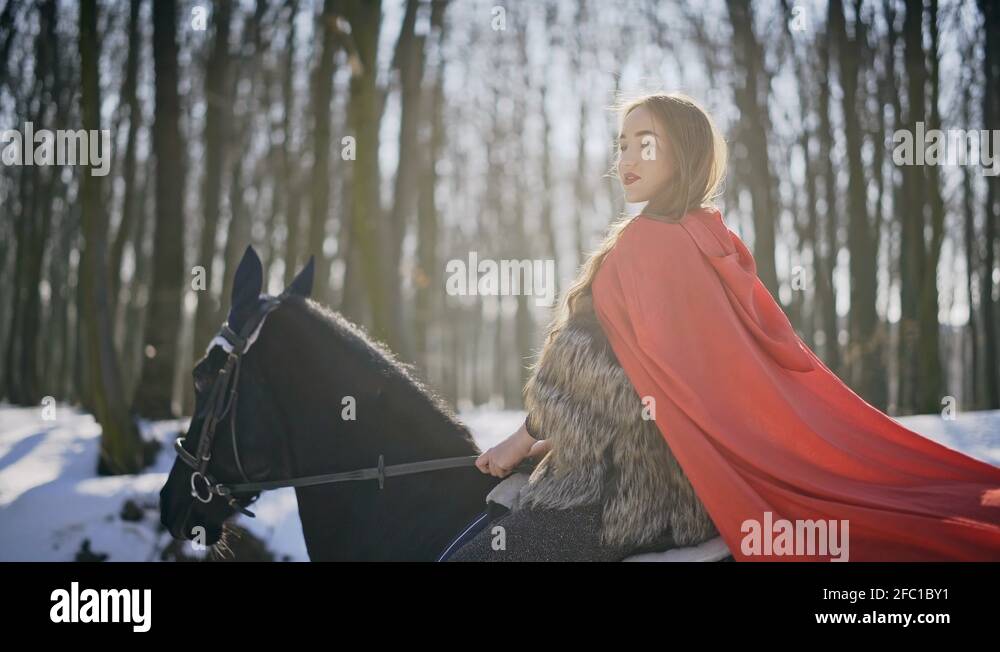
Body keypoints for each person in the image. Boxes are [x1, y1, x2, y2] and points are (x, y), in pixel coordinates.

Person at [444, 91, 1000, 562]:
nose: (627, 157)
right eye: (622, 144)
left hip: (632, 494)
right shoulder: (707, 240)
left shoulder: (646, 244)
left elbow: (594, 376)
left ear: (683, 155)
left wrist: (525, 436)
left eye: (646, 143)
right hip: (696, 483)